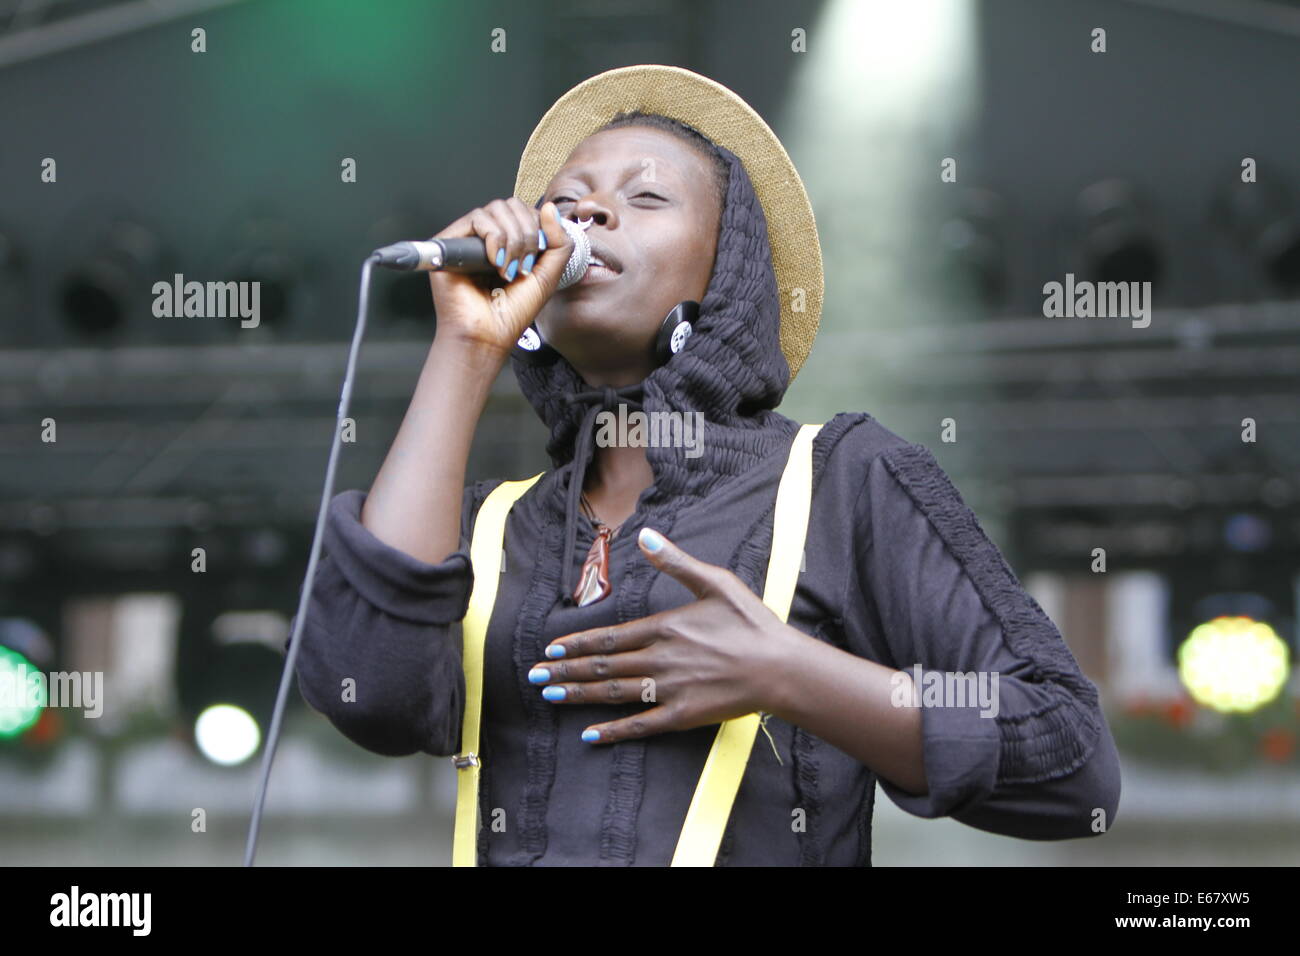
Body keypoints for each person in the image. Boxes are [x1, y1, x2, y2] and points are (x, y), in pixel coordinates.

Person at [291, 65, 1121, 866]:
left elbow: (1070, 755)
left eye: (646, 197)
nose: (588, 214)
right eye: (565, 203)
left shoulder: (842, 480)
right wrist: (467, 346)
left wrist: (791, 673)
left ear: (729, 272)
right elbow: (370, 694)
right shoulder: (488, 525)